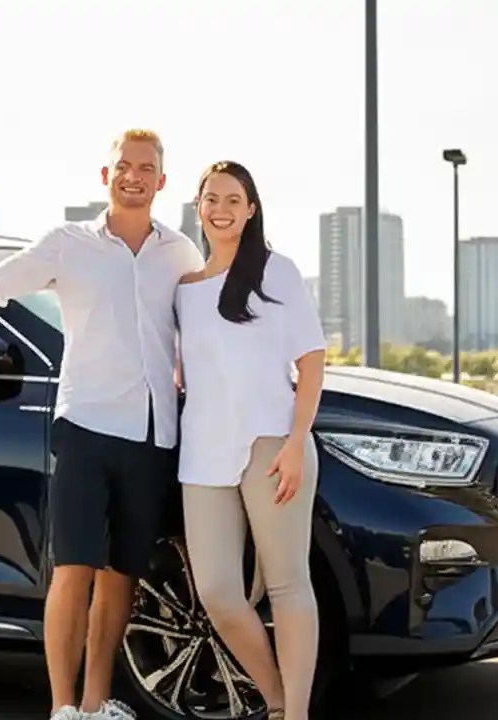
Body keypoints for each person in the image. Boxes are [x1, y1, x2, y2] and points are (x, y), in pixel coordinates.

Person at [0, 129, 205, 720]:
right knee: (74, 569)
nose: (134, 176)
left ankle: (97, 703)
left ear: (162, 181)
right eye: (124, 166)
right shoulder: (68, 244)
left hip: (153, 435)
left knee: (121, 577)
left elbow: (205, 327)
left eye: (146, 168)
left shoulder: (180, 253)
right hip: (86, 426)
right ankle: (64, 708)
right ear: (105, 175)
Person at [172, 160, 326, 720]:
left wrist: (296, 442)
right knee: (216, 591)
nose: (221, 209)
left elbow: (312, 362)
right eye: (211, 199)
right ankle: (276, 699)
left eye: (233, 199)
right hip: (203, 452)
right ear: (198, 207)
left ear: (251, 209)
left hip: (272, 443)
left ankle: (295, 714)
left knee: (287, 584)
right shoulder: (184, 289)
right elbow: (185, 368)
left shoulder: (275, 271)